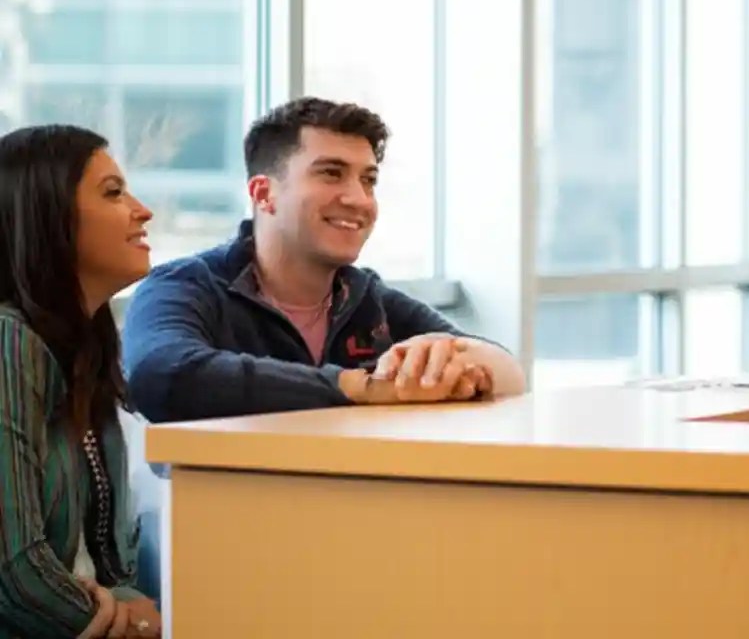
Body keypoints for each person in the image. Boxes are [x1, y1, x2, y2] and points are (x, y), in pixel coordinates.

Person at [121, 97, 526, 423]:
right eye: (332, 174)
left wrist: (443, 356)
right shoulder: (186, 286)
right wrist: (362, 386)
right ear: (264, 194)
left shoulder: (366, 297)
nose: (359, 199)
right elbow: (162, 375)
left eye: (368, 180)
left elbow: (508, 372)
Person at [0, 125, 162, 638]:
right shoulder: (7, 340)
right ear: (49, 217)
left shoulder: (86, 352)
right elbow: (14, 574)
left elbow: (112, 563)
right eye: (113, 193)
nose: (142, 210)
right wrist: (130, 624)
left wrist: (135, 610)